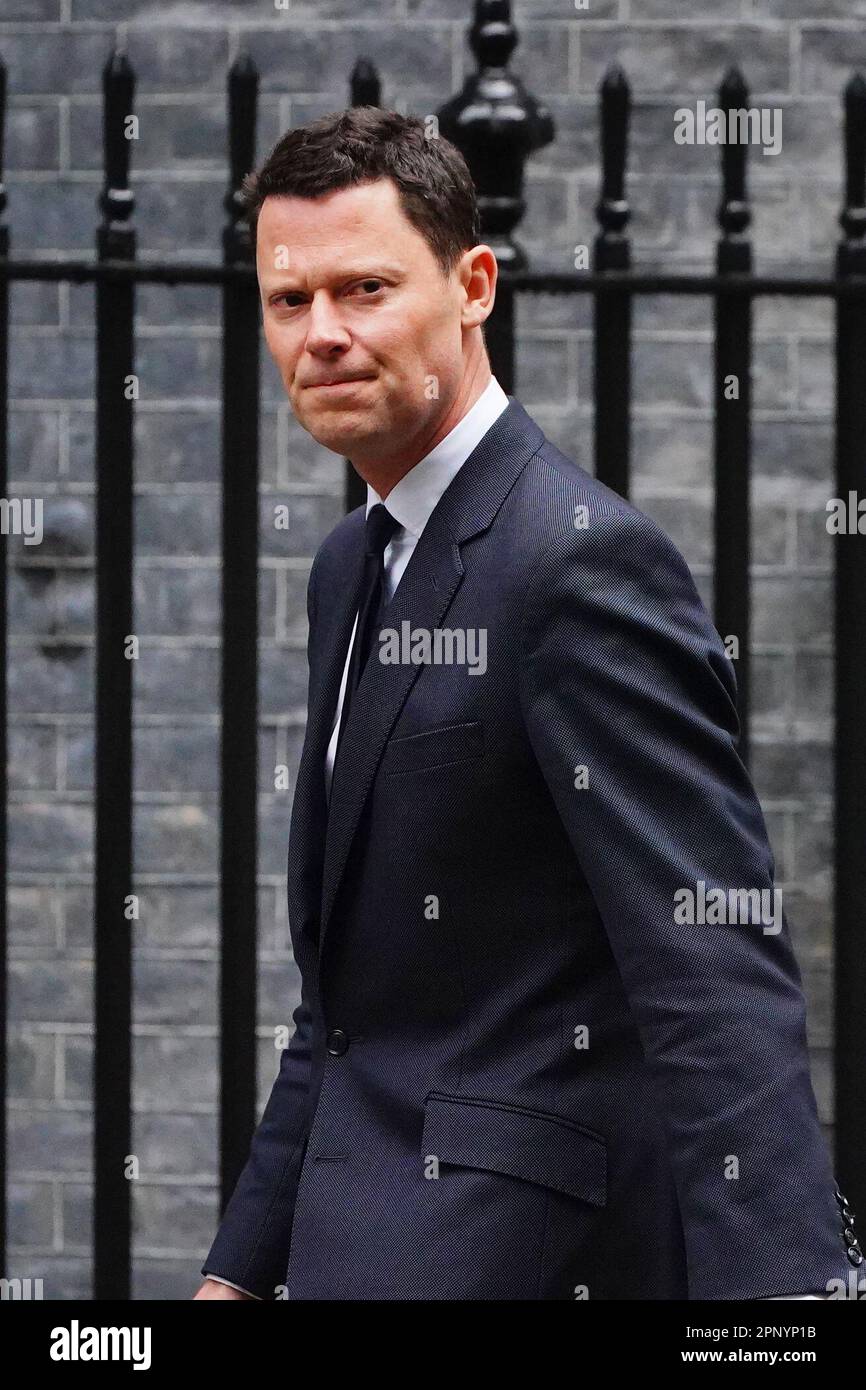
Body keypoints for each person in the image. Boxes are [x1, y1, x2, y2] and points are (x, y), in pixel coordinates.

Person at [194, 107, 860, 1301]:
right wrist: (236, 1273)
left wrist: (784, 1301)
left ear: (473, 287)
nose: (322, 334)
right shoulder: (348, 568)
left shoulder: (576, 562)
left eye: (364, 289)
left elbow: (707, 961)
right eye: (289, 301)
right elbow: (346, 1006)